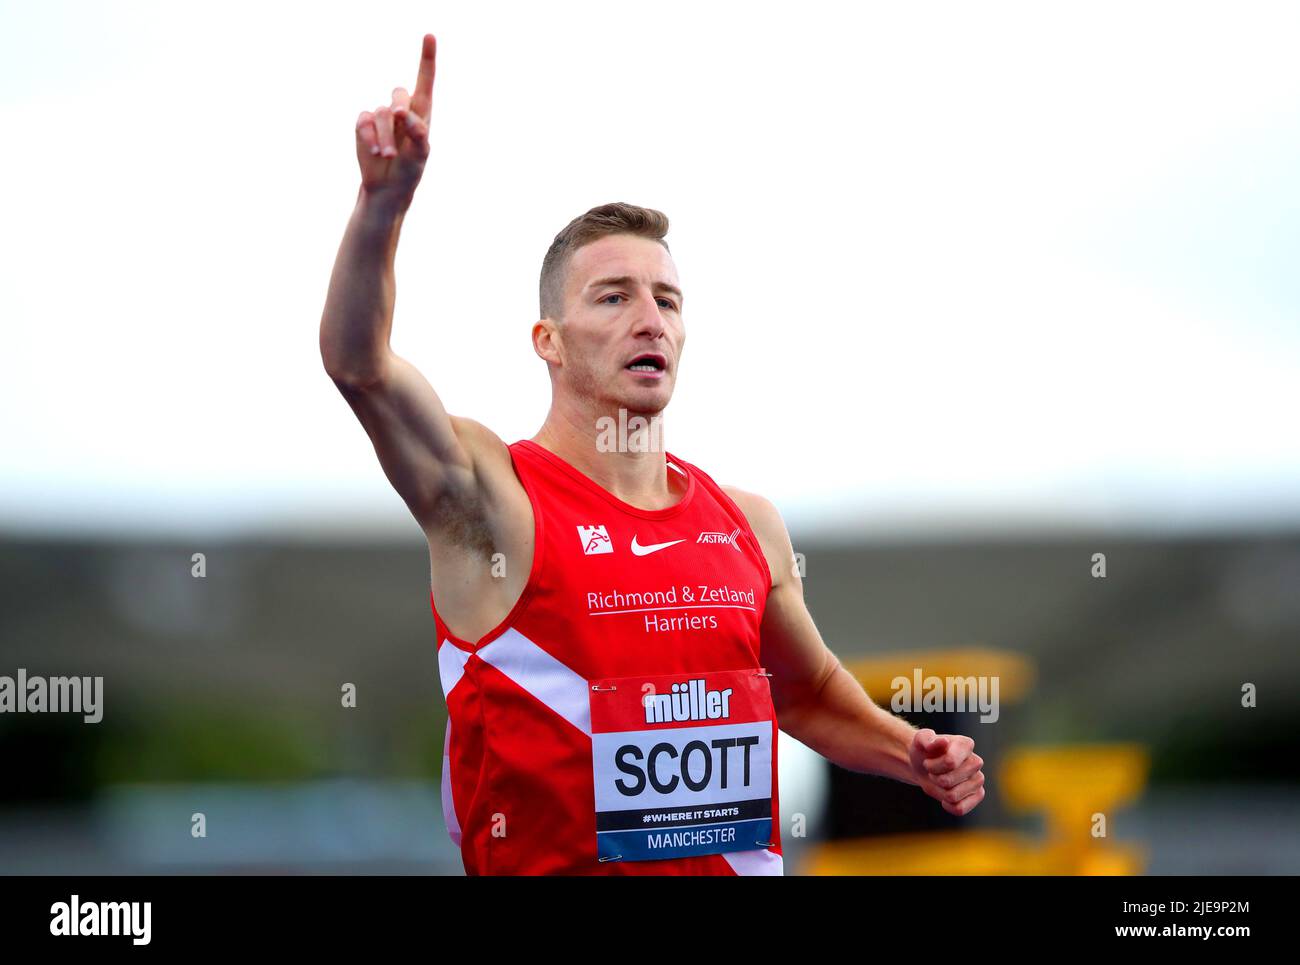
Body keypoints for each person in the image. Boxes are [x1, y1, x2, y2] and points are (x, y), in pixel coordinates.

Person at [319, 33, 985, 876]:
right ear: (548, 341)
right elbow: (360, 366)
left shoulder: (747, 524)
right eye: (614, 296)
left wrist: (908, 750)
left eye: (667, 299)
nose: (650, 318)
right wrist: (382, 208)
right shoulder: (496, 500)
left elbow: (806, 692)